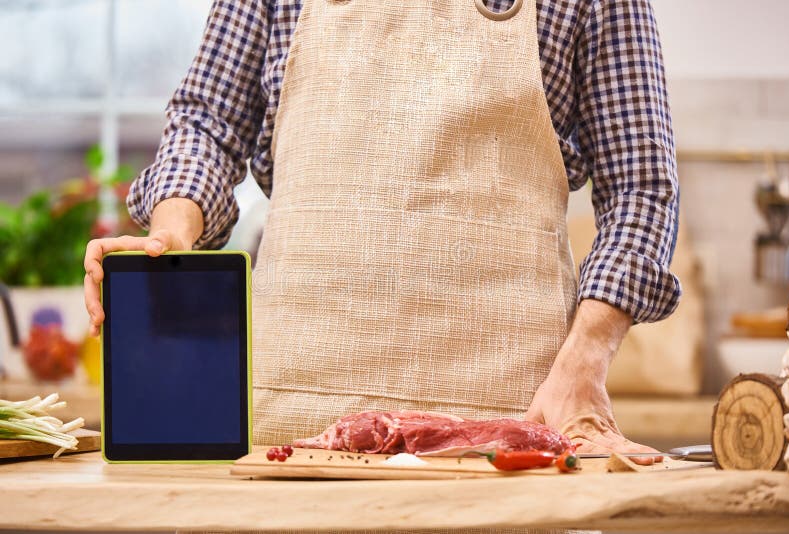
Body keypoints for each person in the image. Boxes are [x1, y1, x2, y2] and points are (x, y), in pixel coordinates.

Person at [83, 0, 681, 464]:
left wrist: (585, 359)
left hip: (507, 431)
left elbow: (642, 184)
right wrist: (171, 234)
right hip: (291, 434)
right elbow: (208, 126)